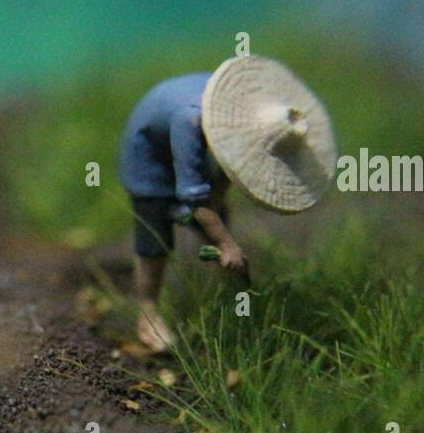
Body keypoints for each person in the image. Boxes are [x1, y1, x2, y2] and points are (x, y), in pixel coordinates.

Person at [118, 55, 335, 353]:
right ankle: (147, 313)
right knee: (155, 238)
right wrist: (227, 244)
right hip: (150, 158)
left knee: (217, 219)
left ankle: (228, 300)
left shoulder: (246, 106)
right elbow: (193, 195)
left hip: (194, 149)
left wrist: (218, 219)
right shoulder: (189, 119)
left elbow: (234, 164)